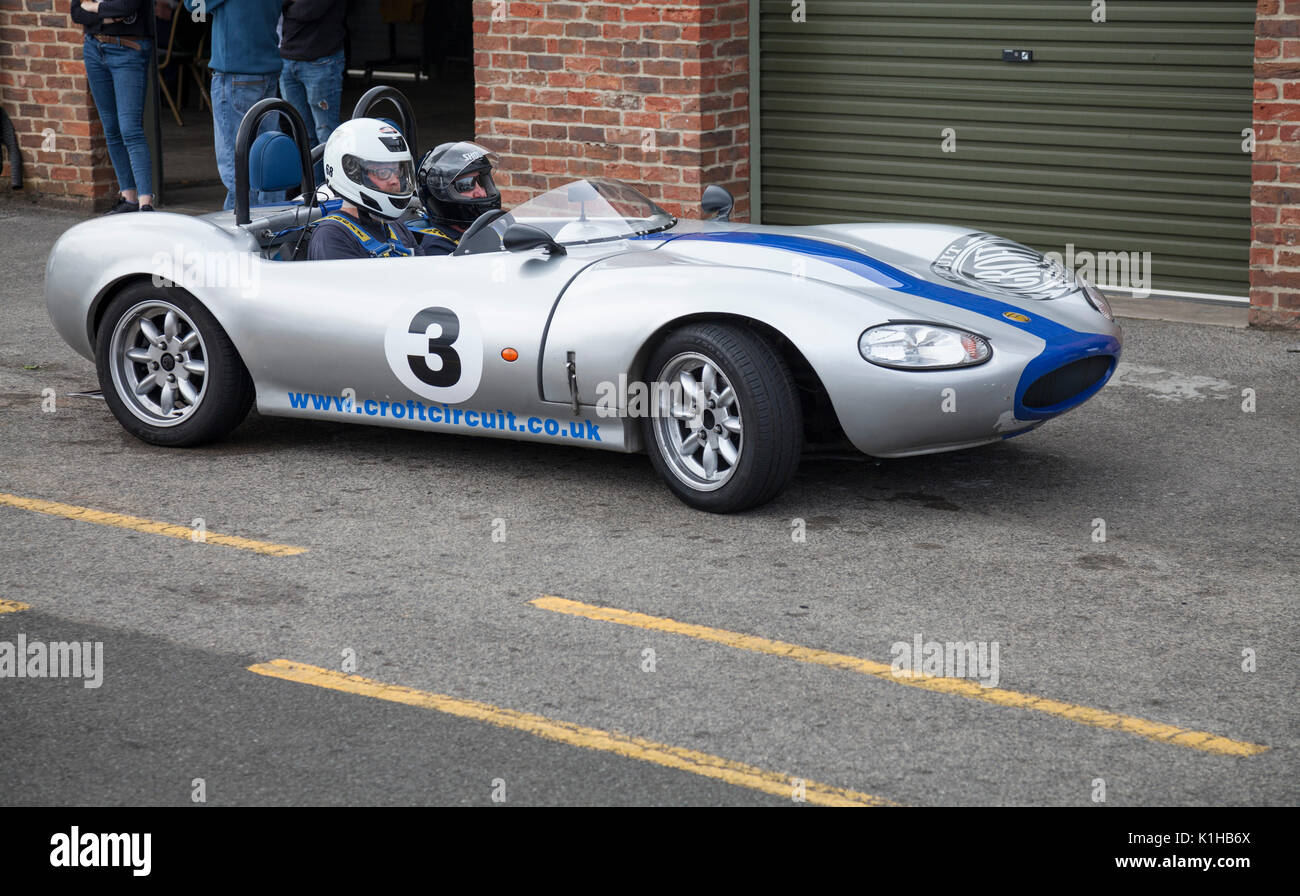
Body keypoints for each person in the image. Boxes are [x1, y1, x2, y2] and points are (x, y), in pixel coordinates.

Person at [180, 0, 282, 211]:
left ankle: (242, 225)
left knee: (237, 161)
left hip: (236, 70)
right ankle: (274, 221)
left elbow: (195, 9)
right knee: (266, 156)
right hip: (267, 68)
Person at [70, 0, 156, 213]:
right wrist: (107, 15)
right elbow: (76, 12)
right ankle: (129, 199)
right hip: (94, 49)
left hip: (129, 49)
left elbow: (126, 7)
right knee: (111, 127)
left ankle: (146, 203)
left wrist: (94, 7)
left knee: (130, 128)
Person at [308, 118, 426, 260]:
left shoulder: (396, 225)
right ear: (352, 173)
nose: (395, 181)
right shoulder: (331, 236)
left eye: (398, 172)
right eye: (383, 173)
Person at [411, 141, 502, 255]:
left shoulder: (485, 231)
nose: (481, 193)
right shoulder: (437, 247)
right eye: (466, 185)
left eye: (481, 181)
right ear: (440, 193)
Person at [279, 0, 347, 145]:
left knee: (326, 136)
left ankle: (327, 169)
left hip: (321, 60)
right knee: (301, 136)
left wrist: (287, 7)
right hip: (287, 60)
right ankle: (311, 169)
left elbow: (308, 11)